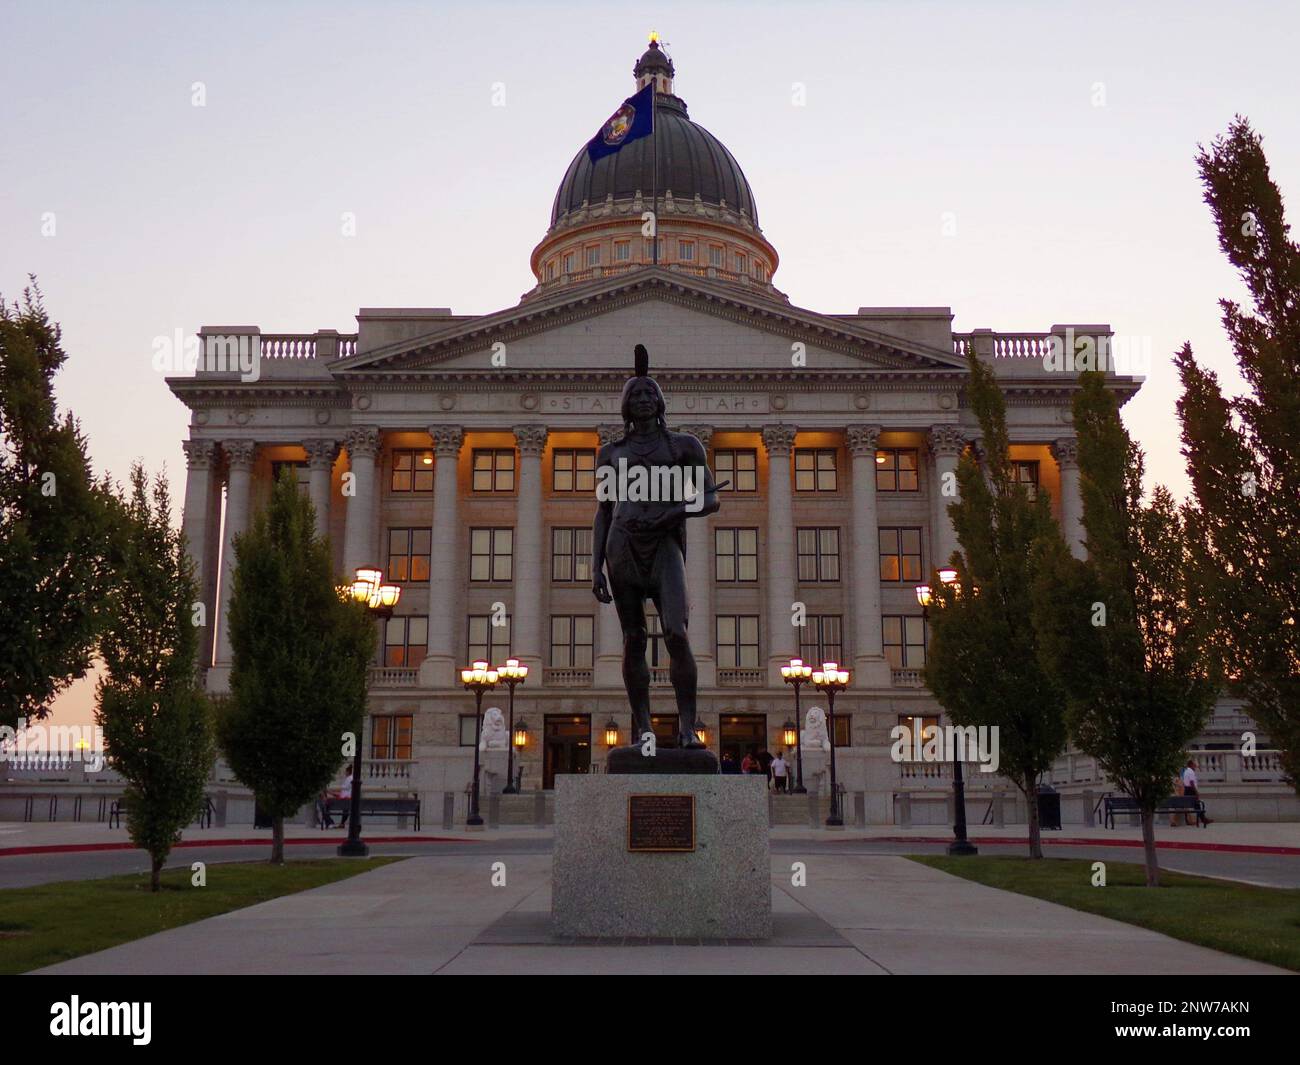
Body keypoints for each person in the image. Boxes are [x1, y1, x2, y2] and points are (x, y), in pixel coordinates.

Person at [1181, 758, 1212, 825]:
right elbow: (1191, 782)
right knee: (1197, 805)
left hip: (1186, 789)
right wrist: (1196, 792)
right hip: (1191, 790)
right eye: (1194, 764)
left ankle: (1200, 819)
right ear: (1191, 765)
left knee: (1192, 806)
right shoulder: (1191, 772)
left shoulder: (1186, 771)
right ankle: (1203, 819)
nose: (1195, 766)